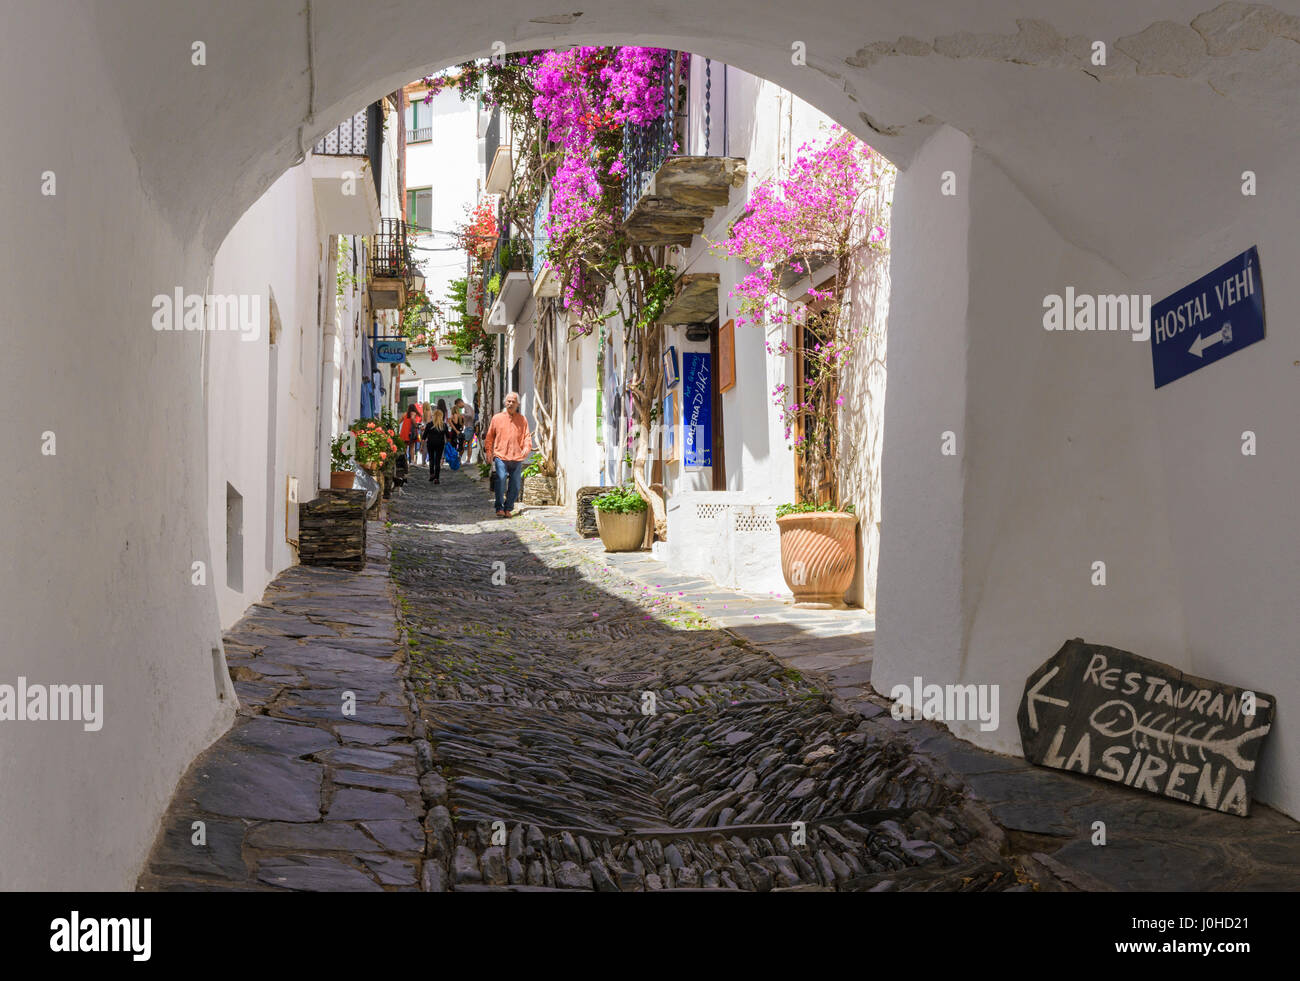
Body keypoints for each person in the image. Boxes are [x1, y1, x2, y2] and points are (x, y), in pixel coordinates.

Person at [483, 391, 532, 517]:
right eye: (508, 401)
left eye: (513, 401)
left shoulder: (522, 419)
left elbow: (527, 436)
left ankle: (508, 508)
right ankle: (499, 507)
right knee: (501, 479)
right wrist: (489, 451)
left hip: (516, 456)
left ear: (517, 404)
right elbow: (489, 437)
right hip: (501, 455)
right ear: (505, 403)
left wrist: (526, 448)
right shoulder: (497, 418)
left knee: (515, 484)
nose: (510, 403)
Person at [423, 405, 449, 484]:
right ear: (441, 416)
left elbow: (424, 437)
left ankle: (431, 474)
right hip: (440, 444)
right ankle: (436, 478)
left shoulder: (429, 425)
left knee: (431, 459)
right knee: (437, 461)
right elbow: (448, 436)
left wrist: (421, 446)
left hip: (430, 444)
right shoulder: (444, 425)